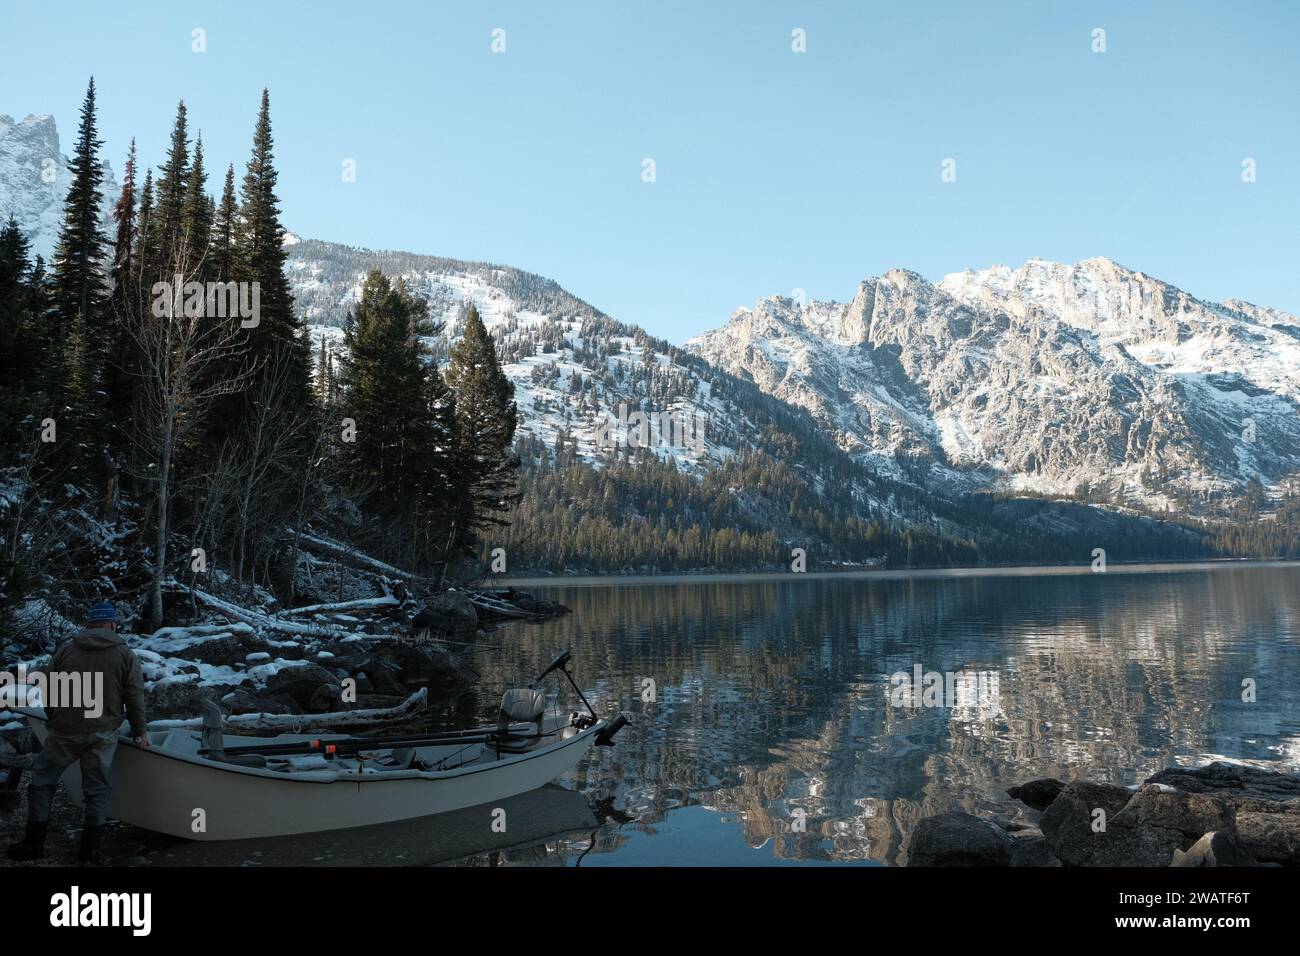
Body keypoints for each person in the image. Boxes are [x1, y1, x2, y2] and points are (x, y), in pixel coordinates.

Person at [5, 600, 148, 864]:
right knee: (97, 790)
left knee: (42, 784)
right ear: (111, 624)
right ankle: (89, 851)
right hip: (103, 733)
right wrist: (140, 731)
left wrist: (55, 719)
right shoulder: (125, 654)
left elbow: (49, 692)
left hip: (65, 732)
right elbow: (134, 695)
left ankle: (33, 845)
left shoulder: (66, 650)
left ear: (89, 624)